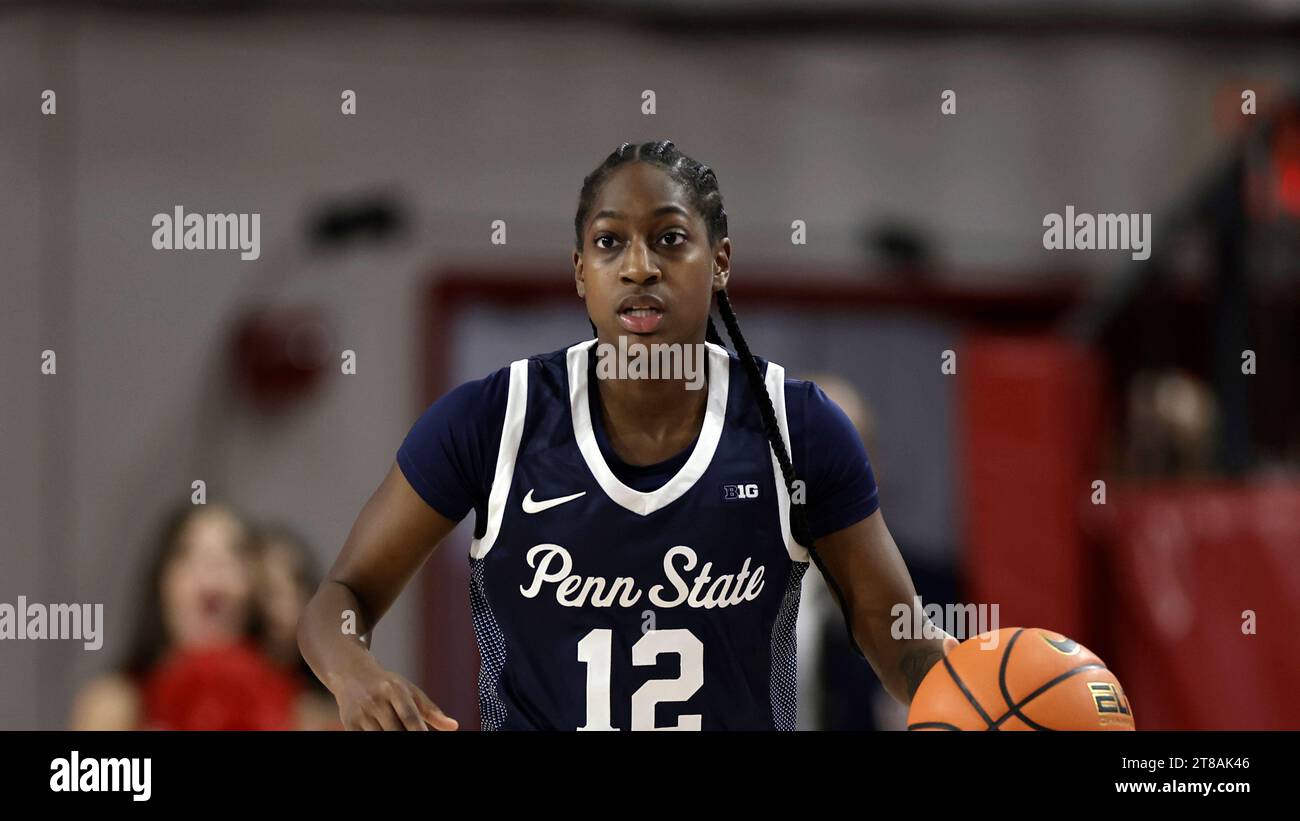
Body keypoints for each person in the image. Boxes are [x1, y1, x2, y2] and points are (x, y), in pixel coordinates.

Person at [299, 140, 955, 731]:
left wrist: (978, 687)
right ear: (581, 271)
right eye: (610, 242)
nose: (639, 267)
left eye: (670, 238)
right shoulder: (493, 418)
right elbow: (342, 595)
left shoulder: (799, 426)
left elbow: (898, 638)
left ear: (720, 261)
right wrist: (355, 672)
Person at [71, 502, 298, 730]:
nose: (213, 567)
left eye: (234, 554)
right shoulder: (116, 707)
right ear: (162, 582)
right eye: (188, 553)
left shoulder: (297, 706)